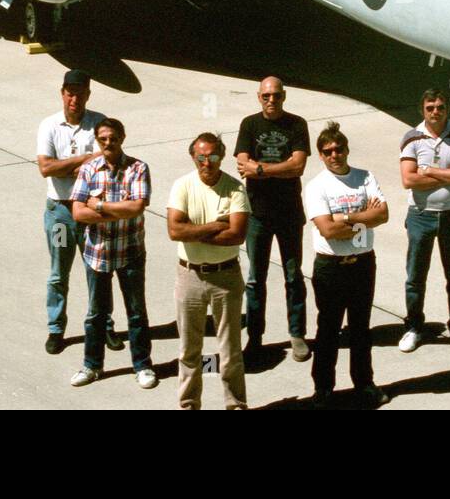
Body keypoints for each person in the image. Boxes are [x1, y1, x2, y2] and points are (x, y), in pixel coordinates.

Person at [303, 122, 390, 408]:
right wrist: (364, 218)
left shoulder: (365, 177)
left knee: (361, 328)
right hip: (331, 266)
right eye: (327, 151)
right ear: (321, 155)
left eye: (339, 149)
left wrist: (347, 219)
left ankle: (364, 384)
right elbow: (327, 230)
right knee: (328, 329)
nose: (334, 155)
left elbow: (384, 215)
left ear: (347, 149)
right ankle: (323, 389)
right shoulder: (316, 187)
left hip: (363, 264)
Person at [68, 118, 157, 389]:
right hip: (97, 254)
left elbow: (138, 207)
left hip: (130, 252)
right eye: (103, 138)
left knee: (136, 312)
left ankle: (142, 365)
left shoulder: (138, 168)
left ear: (123, 137)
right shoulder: (89, 169)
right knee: (96, 313)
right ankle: (92, 365)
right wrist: (116, 209)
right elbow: (77, 212)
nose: (109, 143)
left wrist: (101, 206)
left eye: (113, 138)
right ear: (98, 139)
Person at [36, 69, 119, 355]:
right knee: (59, 273)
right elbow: (46, 168)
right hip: (60, 212)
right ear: (62, 94)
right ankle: (56, 328)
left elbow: (107, 161)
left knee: (97, 271)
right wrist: (84, 160)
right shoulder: (49, 126)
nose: (75, 99)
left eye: (80, 93)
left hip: (89, 212)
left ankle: (102, 324)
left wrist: (68, 167)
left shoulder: (98, 123)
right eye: (70, 93)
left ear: (88, 95)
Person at [167, 133, 251, 410]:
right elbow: (174, 230)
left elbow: (237, 235)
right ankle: (190, 403)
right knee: (190, 350)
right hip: (189, 276)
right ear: (193, 157)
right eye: (201, 157)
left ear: (221, 156)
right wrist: (215, 226)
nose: (207, 162)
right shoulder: (182, 186)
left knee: (229, 350)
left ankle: (235, 404)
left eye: (213, 156)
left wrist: (193, 232)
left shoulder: (235, 189)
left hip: (225, 277)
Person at [235, 76, 311, 363]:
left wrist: (262, 170)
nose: (271, 101)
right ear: (259, 97)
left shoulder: (297, 124)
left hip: (290, 213)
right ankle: (255, 338)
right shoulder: (249, 125)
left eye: (276, 96)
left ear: (284, 96)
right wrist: (279, 168)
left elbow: (298, 166)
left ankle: (297, 334)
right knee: (256, 278)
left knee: (294, 275)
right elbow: (243, 164)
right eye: (266, 96)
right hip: (258, 214)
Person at [398, 88, 450, 355]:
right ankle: (413, 327)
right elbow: (409, 179)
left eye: (440, 107)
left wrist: (430, 171)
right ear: (423, 110)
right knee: (415, 277)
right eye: (430, 107)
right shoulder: (412, 139)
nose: (436, 112)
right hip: (421, 216)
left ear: (447, 109)